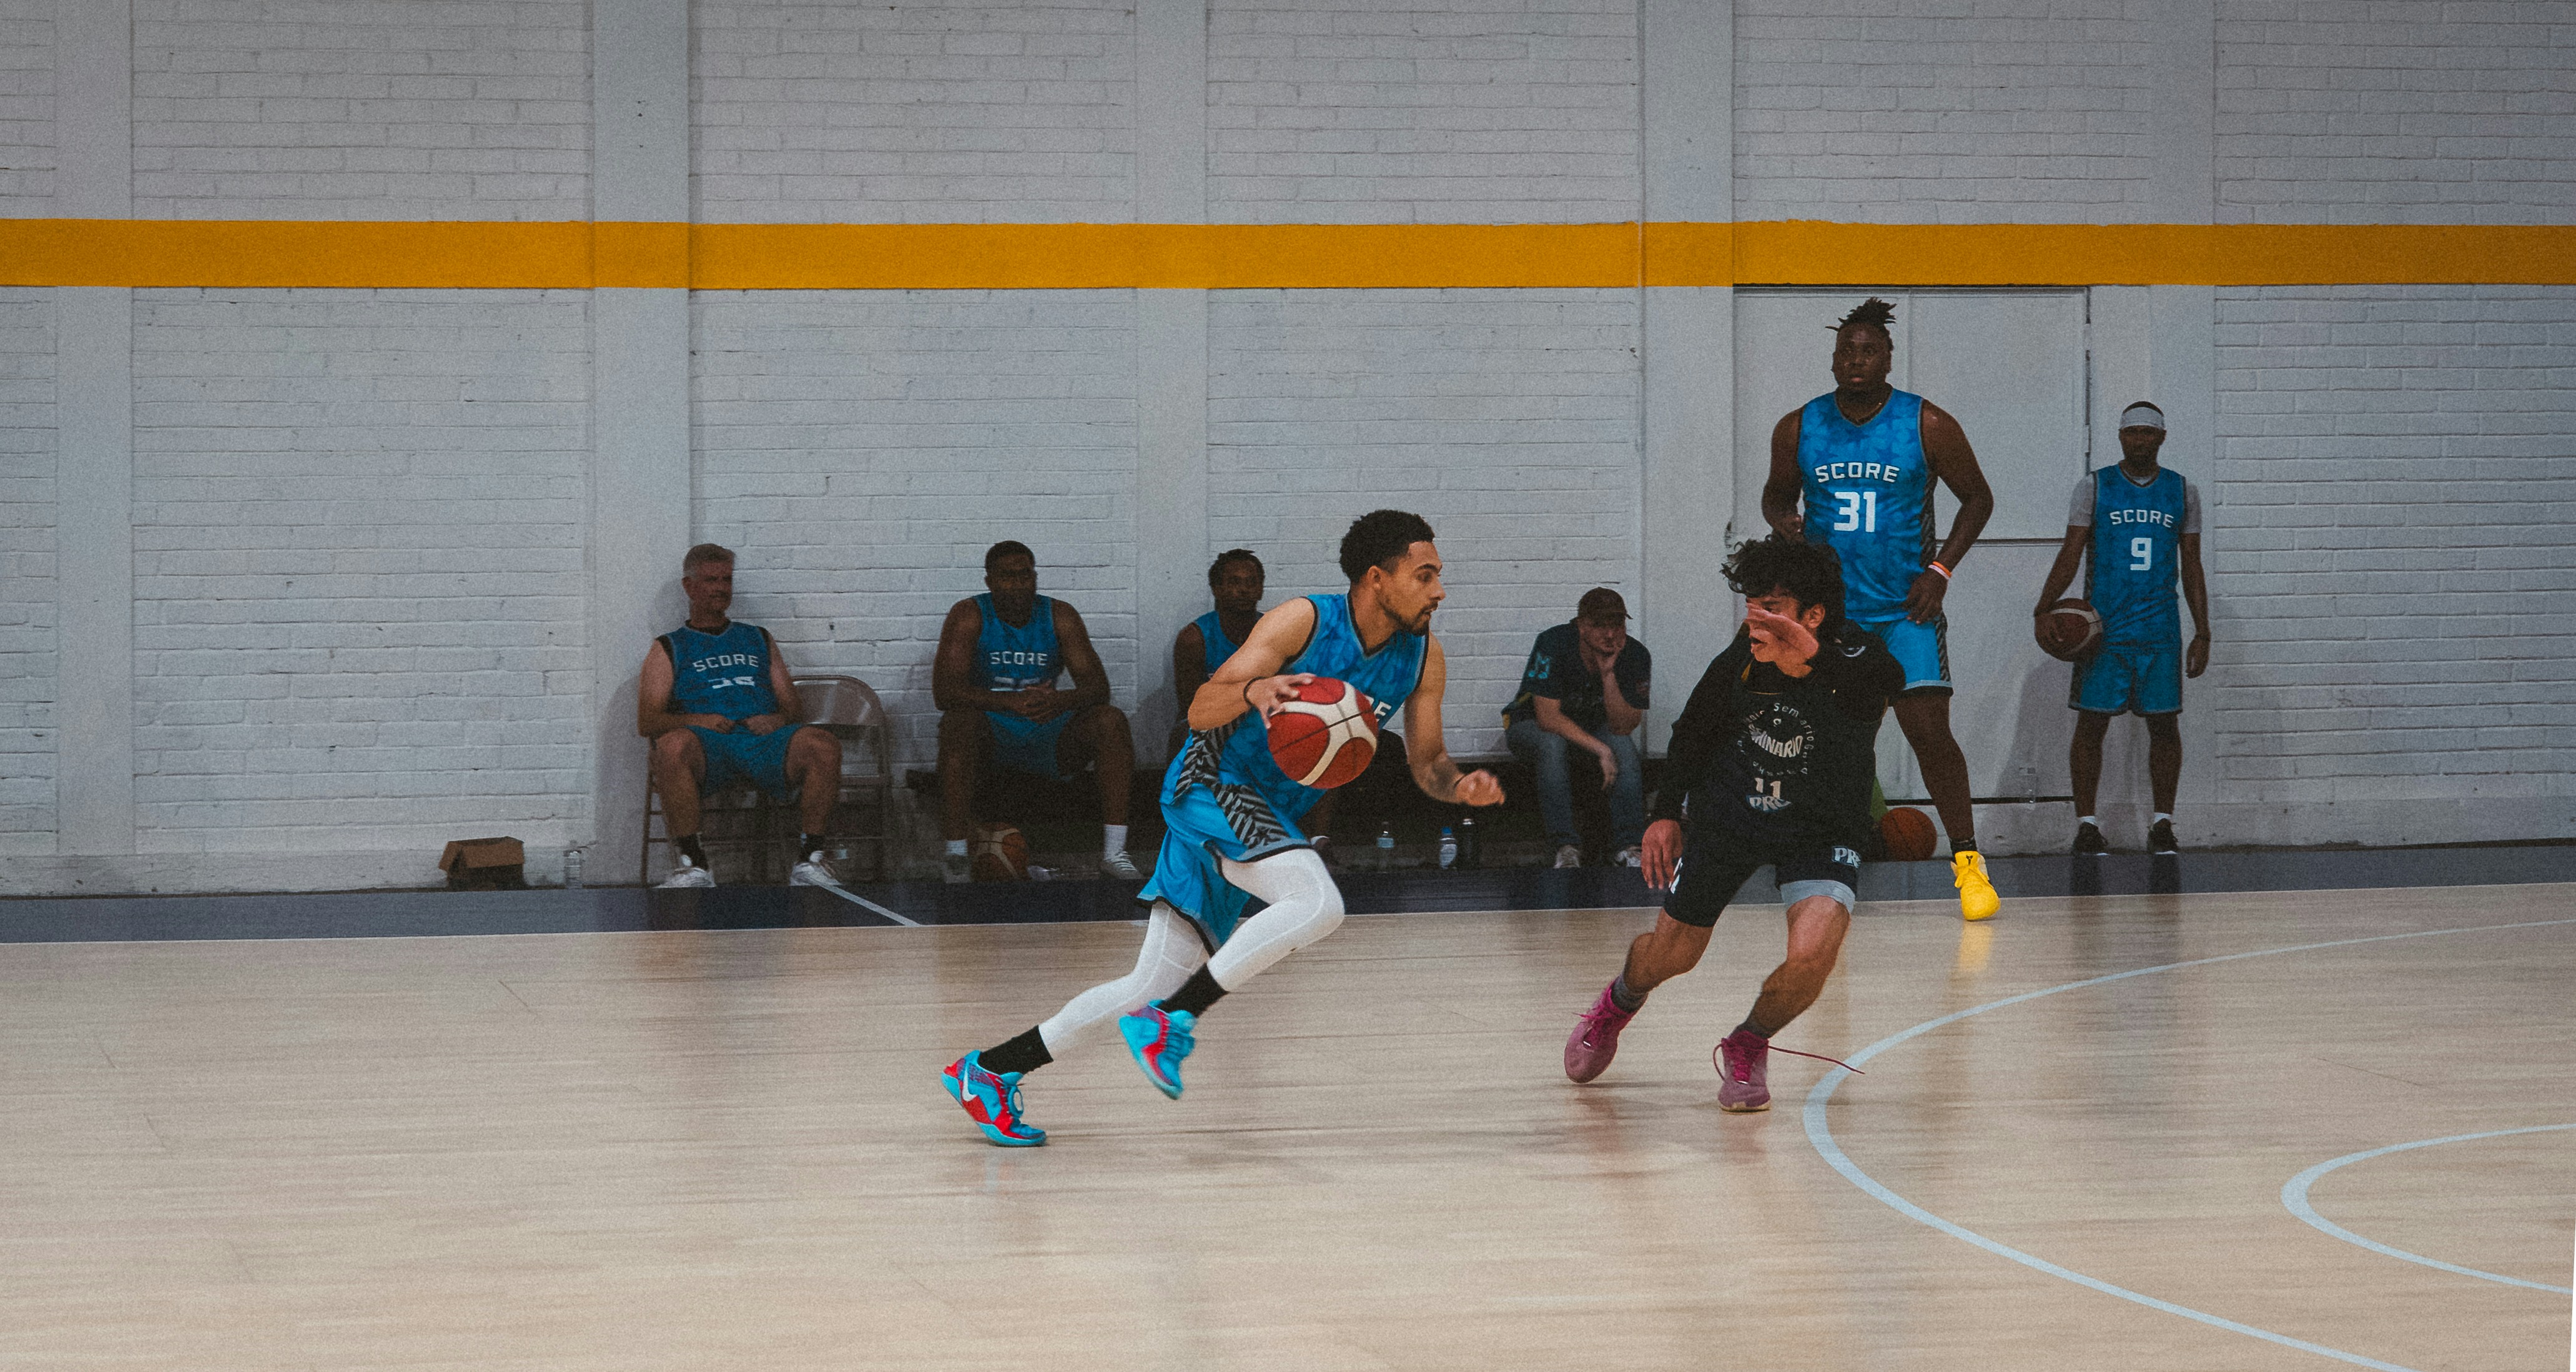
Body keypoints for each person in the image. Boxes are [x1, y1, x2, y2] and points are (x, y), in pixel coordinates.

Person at [941, 510, 1505, 1146]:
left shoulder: (1424, 657)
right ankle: (1177, 1019)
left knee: (1145, 983)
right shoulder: (1305, 620)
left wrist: (1457, 785)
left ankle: (989, 1070)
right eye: (1425, 575)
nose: (1439, 590)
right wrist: (1257, 688)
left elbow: (1427, 761)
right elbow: (1202, 706)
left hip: (1266, 813)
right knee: (1318, 903)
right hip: (1211, 784)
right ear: (1378, 578)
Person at [1561, 534, 1900, 1111]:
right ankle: (1618, 1001)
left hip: (1821, 829)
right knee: (1674, 954)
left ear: (1812, 615)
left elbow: (1881, 686)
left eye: (1771, 609)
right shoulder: (1740, 659)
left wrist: (1809, 658)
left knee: (1812, 957)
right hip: (1731, 818)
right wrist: (1666, 811)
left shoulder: (1857, 658)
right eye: (1752, 606)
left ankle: (1748, 1041)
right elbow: (1691, 730)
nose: (1755, 620)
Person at [1762, 297, 2001, 921]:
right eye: (1847, 350)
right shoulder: (1800, 425)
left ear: (1889, 356)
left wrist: (1940, 569)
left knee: (1929, 735)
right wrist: (1780, 520)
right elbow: (1775, 493)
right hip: (1834, 617)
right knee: (1835, 742)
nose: (1857, 359)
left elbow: (1978, 498)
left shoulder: (1927, 423)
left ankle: (1969, 863)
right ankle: (1828, 859)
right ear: (1834, 359)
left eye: (1869, 349)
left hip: (1905, 611)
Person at [2033, 401, 2211, 856]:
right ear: (2119, 437)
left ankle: (2162, 823)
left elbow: (2190, 565)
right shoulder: (2093, 487)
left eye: (2147, 433)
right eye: (2131, 432)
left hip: (2159, 627)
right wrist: (2043, 606)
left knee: (2164, 726)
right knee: (2091, 725)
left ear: (2162, 438)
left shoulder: (2181, 490)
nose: (2138, 440)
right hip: (2104, 629)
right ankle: (2087, 824)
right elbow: (2071, 552)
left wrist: (2202, 630)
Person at [637, 543, 844, 889]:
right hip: (709, 744)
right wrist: (700, 721)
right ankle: (694, 865)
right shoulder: (669, 646)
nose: (721, 587)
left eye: (727, 579)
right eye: (710, 580)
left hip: (763, 741)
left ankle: (810, 861)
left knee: (823, 744)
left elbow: (794, 709)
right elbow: (648, 721)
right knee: (669, 747)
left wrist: (778, 720)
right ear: (689, 587)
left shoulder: (757, 638)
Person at [933, 541, 1142, 881]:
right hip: (992, 729)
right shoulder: (969, 615)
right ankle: (955, 857)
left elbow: (1098, 689)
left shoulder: (1059, 615)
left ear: (1035, 576)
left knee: (1110, 721)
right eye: (1007, 576)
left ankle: (1114, 853)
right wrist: (1007, 702)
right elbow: (944, 693)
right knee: (958, 723)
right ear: (989, 581)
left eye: (1025, 575)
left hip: (1048, 729)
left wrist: (1059, 701)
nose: (1017, 583)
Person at [1169, 548, 1341, 851]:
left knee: (1327, 731)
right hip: (1217, 724)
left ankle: (1319, 839)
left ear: (1261, 588)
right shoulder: (1195, 638)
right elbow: (1190, 706)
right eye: (1234, 582)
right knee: (1182, 734)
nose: (1243, 589)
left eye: (1251, 582)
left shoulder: (1281, 631)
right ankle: (1188, 834)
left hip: (1269, 720)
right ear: (1217, 589)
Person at [1503, 587, 1651, 868]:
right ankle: (1565, 846)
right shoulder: (1553, 643)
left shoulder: (1634, 655)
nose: (1610, 634)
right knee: (1552, 743)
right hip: (1529, 724)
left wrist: (1609, 675)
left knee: (1624, 748)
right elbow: (1547, 718)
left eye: (1616, 625)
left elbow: (1624, 725)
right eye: (1599, 625)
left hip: (1593, 728)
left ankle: (1629, 846)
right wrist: (1600, 750)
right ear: (1581, 625)